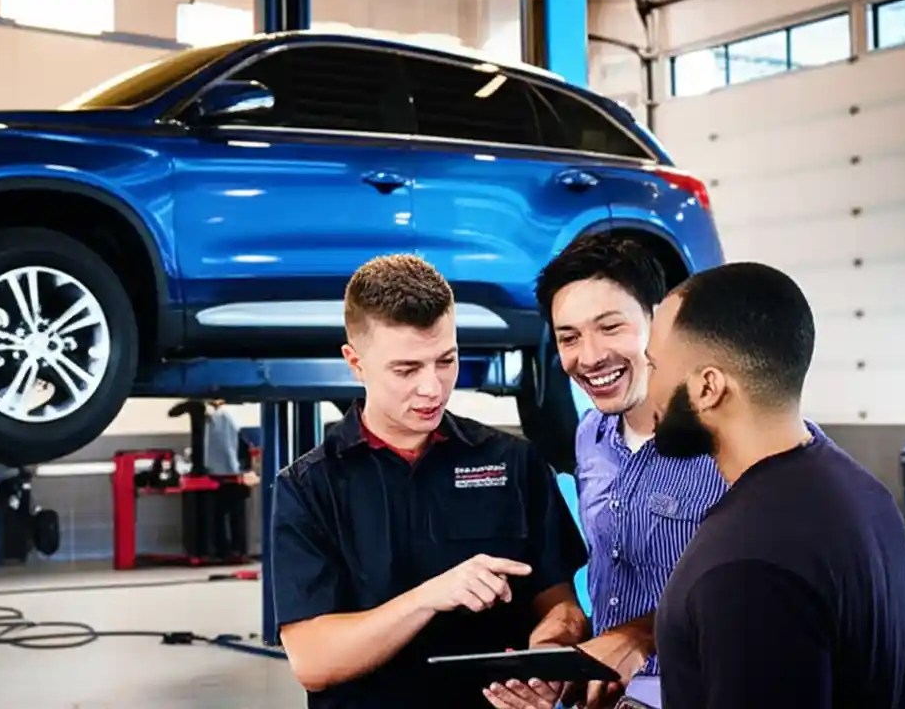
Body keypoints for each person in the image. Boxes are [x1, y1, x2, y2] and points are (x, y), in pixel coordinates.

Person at [270, 254, 589, 709]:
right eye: (406, 369)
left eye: (446, 360)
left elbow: (560, 604)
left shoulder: (513, 463)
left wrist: (548, 658)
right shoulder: (309, 488)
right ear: (355, 362)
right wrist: (429, 597)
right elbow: (314, 661)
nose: (432, 388)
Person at [645, 262, 905, 709]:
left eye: (654, 366)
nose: (647, 387)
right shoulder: (863, 492)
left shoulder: (746, 566)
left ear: (708, 387)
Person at [484, 234, 728, 709]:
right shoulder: (590, 435)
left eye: (610, 327)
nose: (589, 356)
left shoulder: (724, 441)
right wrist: (561, 658)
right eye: (569, 337)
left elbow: (759, 595)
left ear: (657, 321)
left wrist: (642, 638)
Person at [202, 398, 257, 560]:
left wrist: (234, 470)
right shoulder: (223, 416)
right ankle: (235, 549)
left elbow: (228, 446)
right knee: (234, 514)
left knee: (224, 514)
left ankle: (229, 550)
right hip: (230, 472)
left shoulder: (221, 417)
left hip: (226, 474)